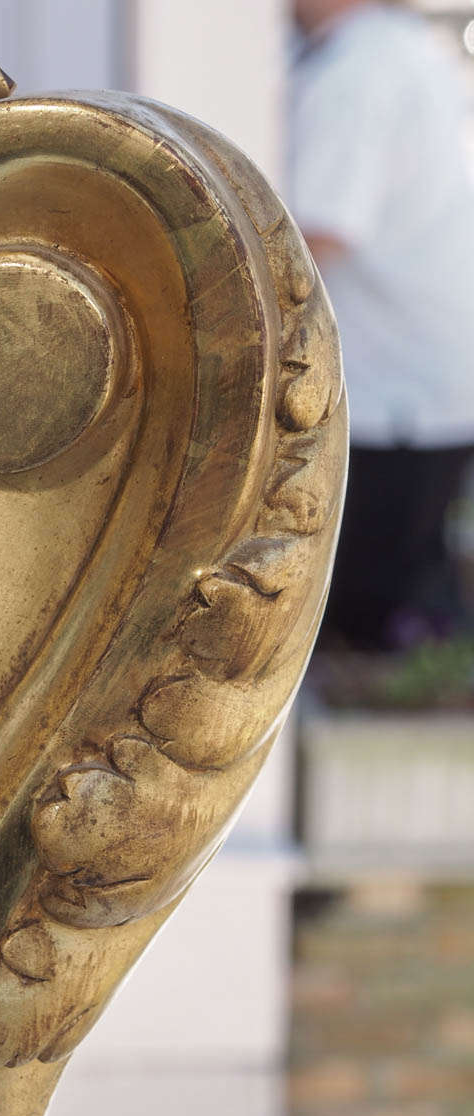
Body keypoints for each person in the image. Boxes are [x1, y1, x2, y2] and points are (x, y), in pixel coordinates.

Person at [290, 0, 474, 650]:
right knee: (402, 614)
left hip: (392, 394)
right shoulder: (401, 49)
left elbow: (317, 236)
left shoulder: (360, 69)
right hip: (419, 383)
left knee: (370, 626)